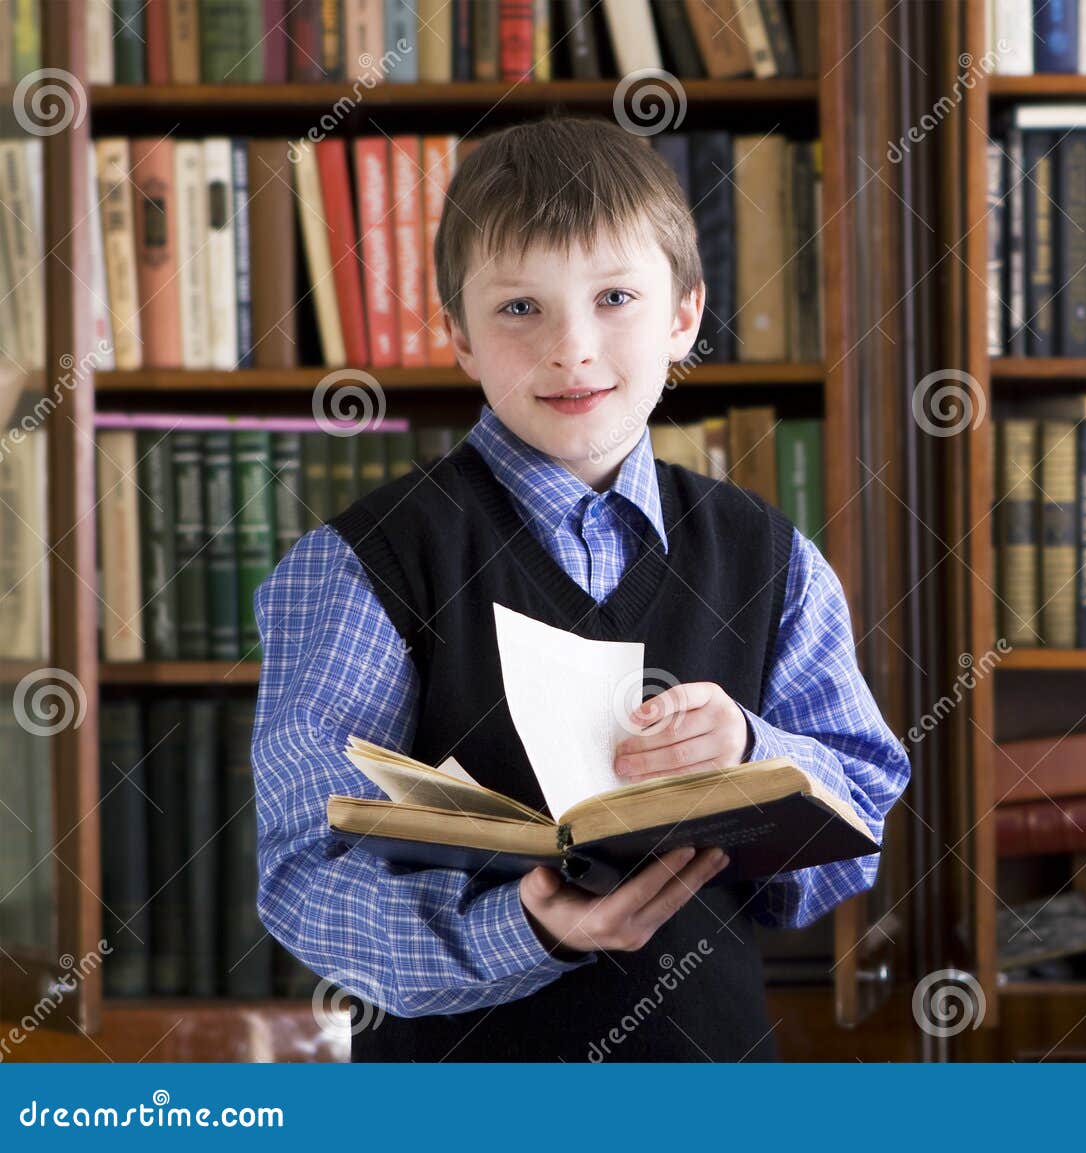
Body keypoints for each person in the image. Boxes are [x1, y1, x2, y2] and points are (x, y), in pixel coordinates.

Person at [250, 114, 911, 1061]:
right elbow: (306, 874)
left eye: (614, 297)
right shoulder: (362, 563)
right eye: (520, 308)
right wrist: (527, 929)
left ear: (683, 314)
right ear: (461, 338)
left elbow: (861, 814)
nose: (573, 347)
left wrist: (752, 753)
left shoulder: (771, 554)